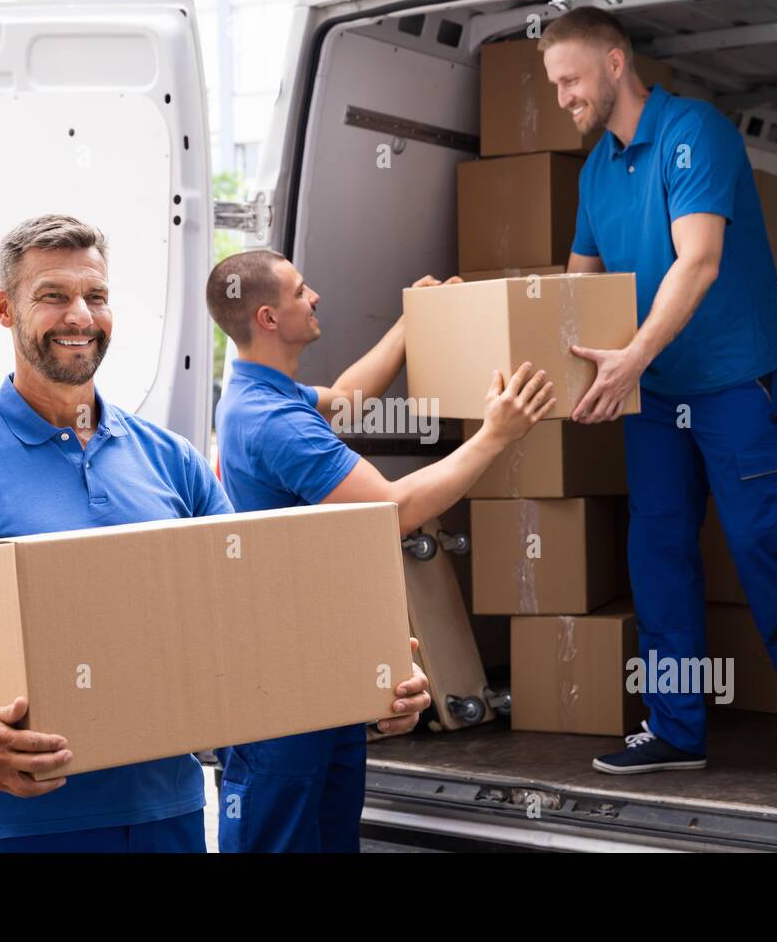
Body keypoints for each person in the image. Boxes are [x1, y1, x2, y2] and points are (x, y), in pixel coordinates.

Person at [0, 215, 434, 853]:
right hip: (18, 829)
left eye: (97, 296)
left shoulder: (172, 462)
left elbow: (249, 624)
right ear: (5, 309)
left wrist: (365, 684)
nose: (80, 316)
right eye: (53, 296)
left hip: (167, 819)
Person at [540, 8, 777, 781]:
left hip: (730, 378)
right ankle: (676, 726)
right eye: (553, 86)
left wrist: (632, 359)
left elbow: (699, 260)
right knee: (659, 555)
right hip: (652, 390)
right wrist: (494, 327)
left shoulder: (695, 131)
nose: (562, 100)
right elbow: (578, 287)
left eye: (571, 80)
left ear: (616, 63)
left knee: (758, 547)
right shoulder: (595, 172)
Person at [207, 250, 555, 850]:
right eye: (300, 291)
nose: (315, 297)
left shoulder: (262, 390)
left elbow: (346, 397)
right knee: (284, 833)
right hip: (285, 682)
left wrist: (408, 321)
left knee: (331, 830)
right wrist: (496, 435)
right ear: (267, 317)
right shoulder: (275, 423)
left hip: (318, 662)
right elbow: (390, 509)